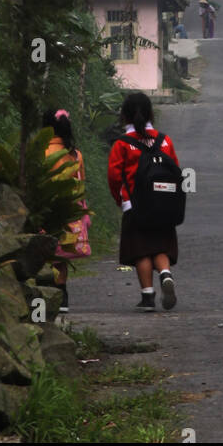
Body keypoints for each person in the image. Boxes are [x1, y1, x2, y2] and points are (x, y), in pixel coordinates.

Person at [106, 91, 180, 311]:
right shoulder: (164, 140)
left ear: (125, 116)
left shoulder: (122, 144)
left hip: (135, 204)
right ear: (150, 114)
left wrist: (121, 200)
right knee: (159, 245)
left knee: (142, 250)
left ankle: (147, 297)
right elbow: (176, 169)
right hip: (163, 204)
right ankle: (166, 274)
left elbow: (114, 175)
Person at [42, 108, 90, 313]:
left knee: (45, 253)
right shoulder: (75, 154)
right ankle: (62, 297)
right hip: (70, 209)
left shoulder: (41, 151)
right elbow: (81, 182)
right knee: (62, 254)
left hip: (45, 208)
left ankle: (44, 297)